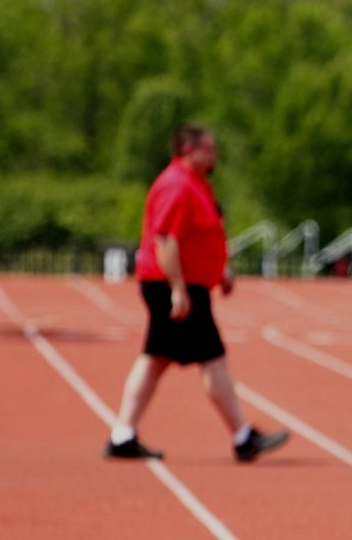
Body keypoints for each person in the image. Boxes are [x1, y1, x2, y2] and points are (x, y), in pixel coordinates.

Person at [107, 124, 289, 463]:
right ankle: (242, 436)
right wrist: (177, 288)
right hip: (175, 285)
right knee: (212, 358)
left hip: (184, 284)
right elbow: (166, 240)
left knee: (156, 359)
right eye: (210, 149)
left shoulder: (195, 185)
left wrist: (220, 271)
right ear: (190, 151)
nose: (215, 155)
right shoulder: (177, 186)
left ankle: (123, 433)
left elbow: (201, 237)